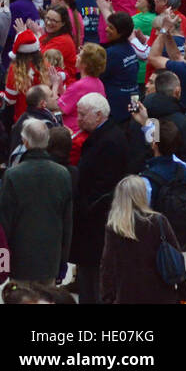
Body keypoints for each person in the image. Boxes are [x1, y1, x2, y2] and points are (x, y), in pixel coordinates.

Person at [0, 117, 73, 282]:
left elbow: (3, 224)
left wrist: (1, 264)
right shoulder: (62, 174)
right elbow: (67, 223)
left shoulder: (13, 175)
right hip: (50, 257)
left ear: (25, 141)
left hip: (20, 258)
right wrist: (63, 262)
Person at [72, 93, 129, 303]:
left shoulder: (109, 142)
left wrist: (85, 208)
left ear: (98, 116)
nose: (78, 119)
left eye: (82, 115)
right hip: (94, 220)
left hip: (96, 223)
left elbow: (104, 185)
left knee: (94, 278)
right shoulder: (104, 136)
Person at [100, 174, 186, 303]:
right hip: (162, 295)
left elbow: (108, 266)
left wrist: (108, 297)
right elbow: (177, 259)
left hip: (128, 295)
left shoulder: (115, 227)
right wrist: (185, 292)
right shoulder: (158, 221)